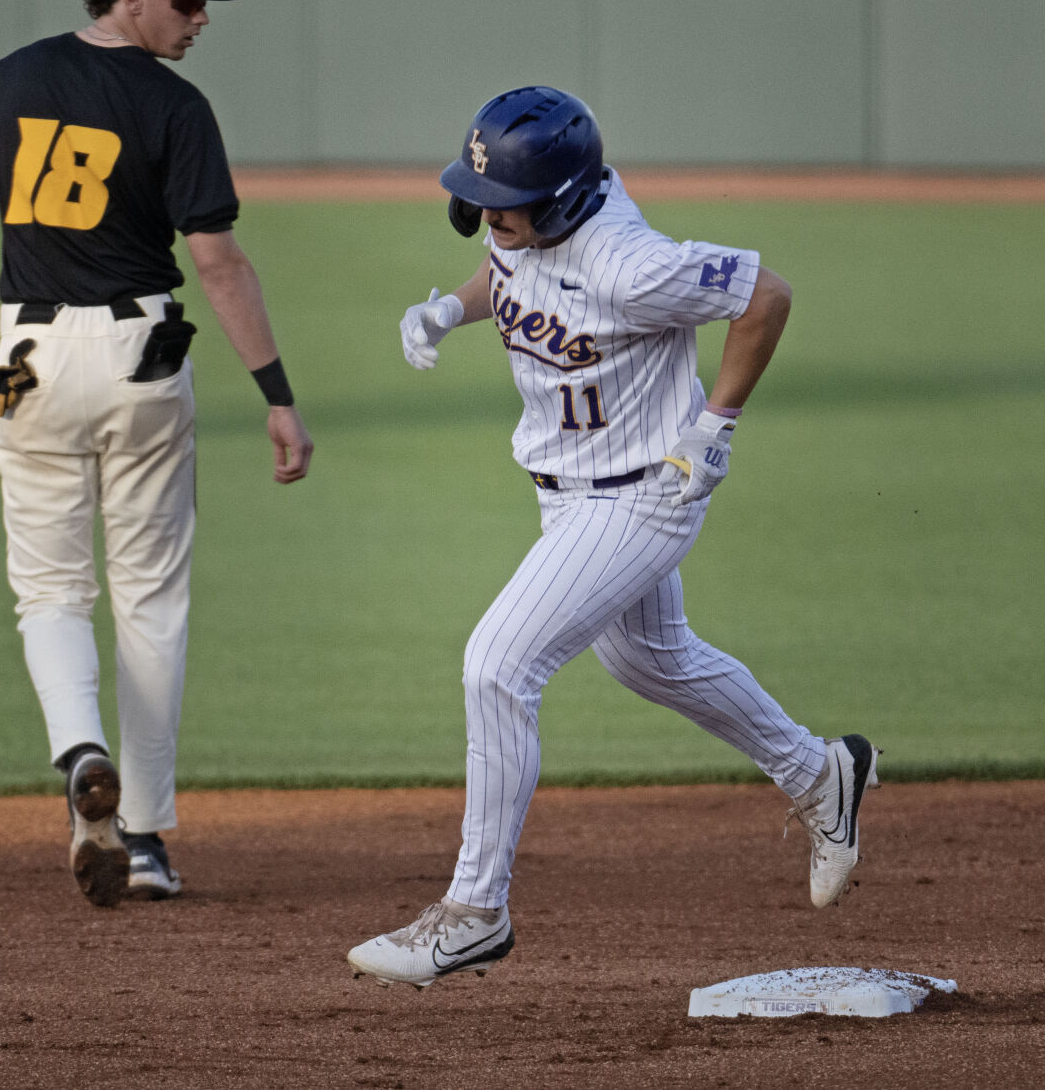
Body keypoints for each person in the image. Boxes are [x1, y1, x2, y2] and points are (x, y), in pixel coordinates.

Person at [347, 86, 876, 987]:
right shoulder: (522, 218)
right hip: (566, 491)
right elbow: (511, 275)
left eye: (503, 205)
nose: (484, 216)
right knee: (648, 660)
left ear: (557, 199)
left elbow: (765, 295)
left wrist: (717, 421)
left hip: (642, 494)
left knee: (496, 665)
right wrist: (450, 310)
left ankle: (474, 911)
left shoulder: (630, 263)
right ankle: (820, 773)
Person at [0, 0, 313, 908]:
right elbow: (217, 261)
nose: (196, 20)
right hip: (144, 359)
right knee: (149, 602)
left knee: (49, 591)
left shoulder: (10, 78)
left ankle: (77, 751)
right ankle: (138, 835)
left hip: (23, 361)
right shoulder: (173, 108)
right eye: (183, 2)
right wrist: (276, 396)